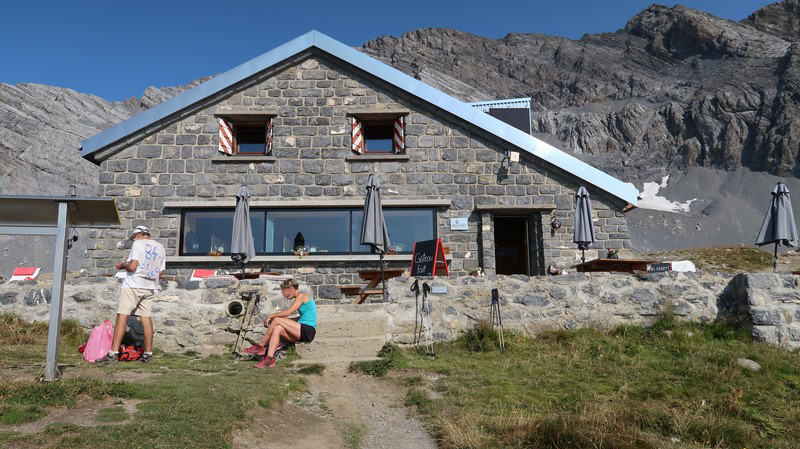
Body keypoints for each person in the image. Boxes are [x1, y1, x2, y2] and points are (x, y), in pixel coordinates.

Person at [97, 225, 165, 364]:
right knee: (146, 319)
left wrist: (122, 265)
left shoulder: (138, 244)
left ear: (136, 235)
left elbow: (132, 266)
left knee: (122, 316)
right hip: (150, 286)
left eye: (133, 237)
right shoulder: (160, 247)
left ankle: (113, 354)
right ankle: (148, 354)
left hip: (133, 285)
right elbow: (160, 272)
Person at [244, 278, 316, 368]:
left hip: (307, 330)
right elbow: (299, 317)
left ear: (290, 289)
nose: (284, 295)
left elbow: (288, 313)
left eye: (283, 292)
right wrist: (283, 322)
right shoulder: (300, 298)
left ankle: (260, 346)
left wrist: (271, 316)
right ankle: (269, 358)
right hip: (301, 330)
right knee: (277, 328)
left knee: (277, 320)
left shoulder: (302, 295)